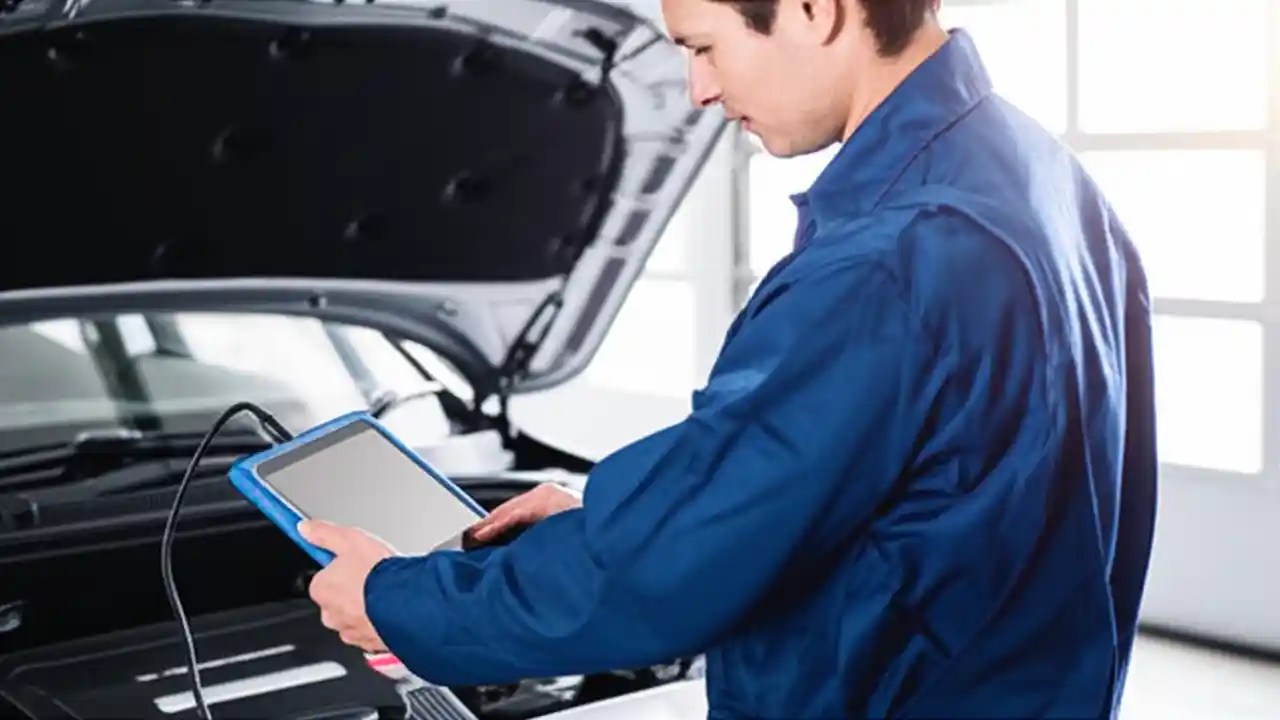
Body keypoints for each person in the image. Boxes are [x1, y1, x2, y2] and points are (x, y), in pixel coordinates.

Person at [297, 0, 1159, 716]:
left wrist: (396, 602)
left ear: (817, 10)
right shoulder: (1043, 178)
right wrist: (602, 516)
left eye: (705, 48)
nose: (698, 90)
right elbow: (866, 479)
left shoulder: (888, 262)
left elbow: (666, 574)